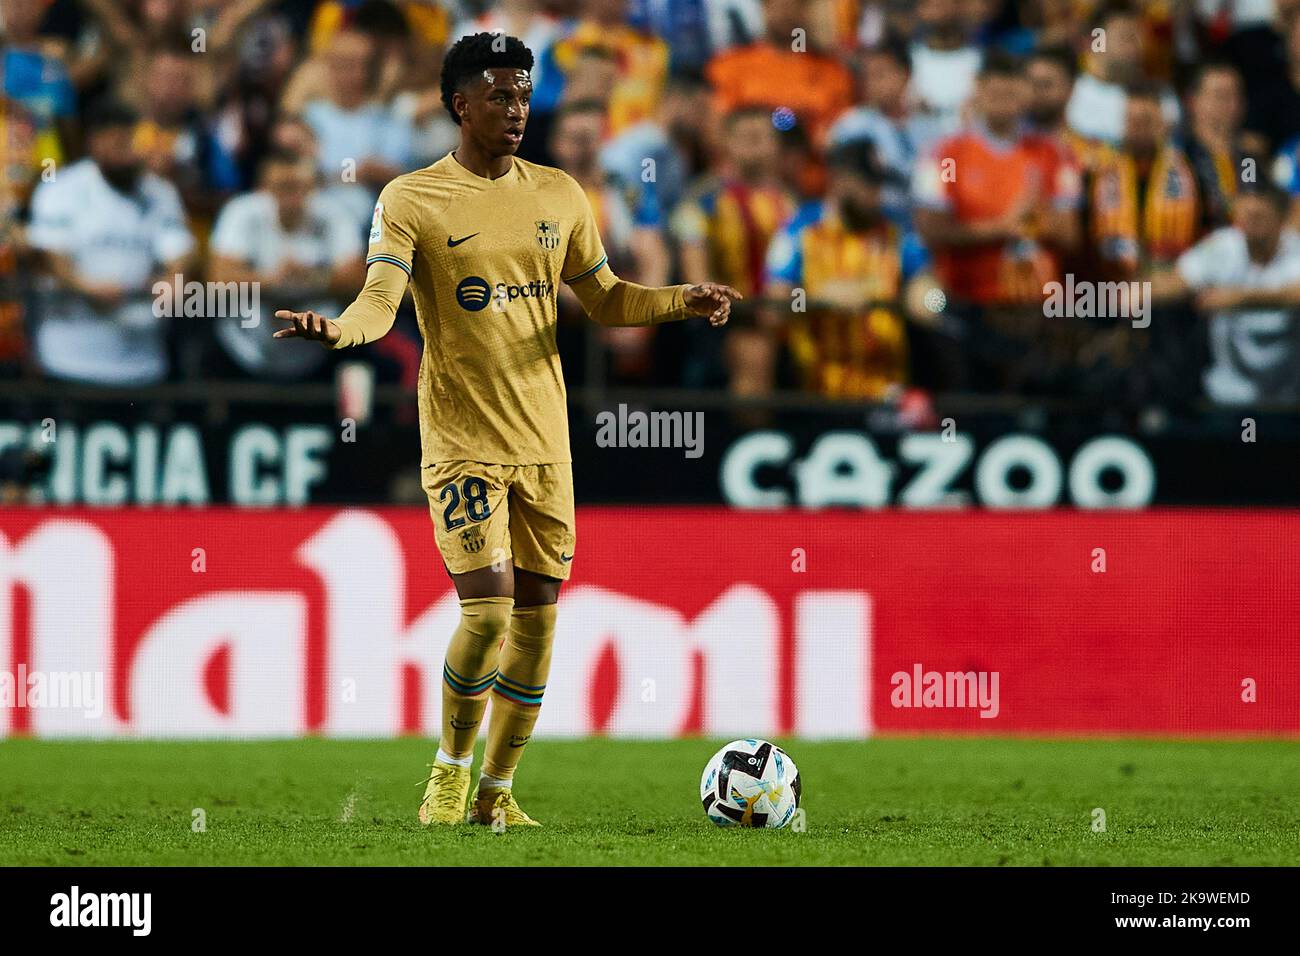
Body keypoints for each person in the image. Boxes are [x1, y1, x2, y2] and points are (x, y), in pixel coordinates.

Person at [272, 32, 741, 827]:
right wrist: (342, 334)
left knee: (537, 624)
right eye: (499, 95)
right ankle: (448, 775)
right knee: (485, 612)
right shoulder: (412, 199)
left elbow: (604, 298)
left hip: (545, 440)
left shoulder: (560, 194)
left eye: (524, 94)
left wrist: (675, 300)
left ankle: (496, 791)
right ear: (461, 103)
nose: (517, 109)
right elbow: (381, 299)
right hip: (460, 436)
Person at [26, 99, 194, 386]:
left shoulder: (160, 192)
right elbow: (49, 253)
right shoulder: (62, 188)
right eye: (119, 141)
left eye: (132, 140)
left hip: (143, 361)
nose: (129, 151)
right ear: (96, 142)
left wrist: (173, 279)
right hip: (70, 357)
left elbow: (179, 248)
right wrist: (84, 285)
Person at [1149, 184, 1300, 406]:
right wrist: (1120, 296)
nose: (1251, 224)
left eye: (1259, 217)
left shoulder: (1295, 250)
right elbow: (1176, 281)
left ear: (1280, 218)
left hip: (1285, 401)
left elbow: (1294, 294)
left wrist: (1239, 298)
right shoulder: (1223, 246)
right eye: (1246, 217)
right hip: (1225, 398)